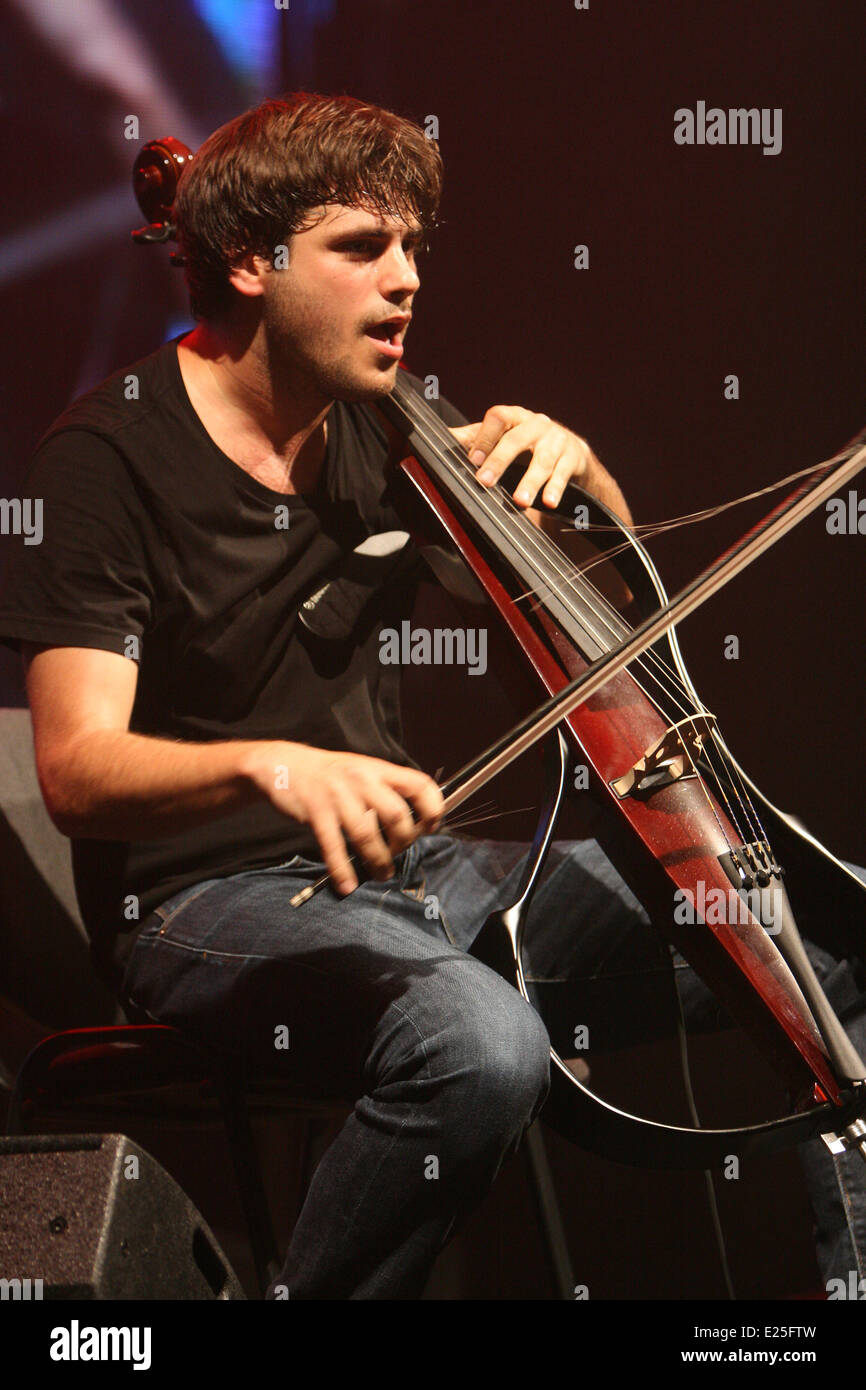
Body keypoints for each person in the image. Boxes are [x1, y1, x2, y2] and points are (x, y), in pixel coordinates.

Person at [0, 92, 863, 1300]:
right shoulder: (104, 459)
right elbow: (77, 770)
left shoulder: (379, 423)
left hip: (410, 882)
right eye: (364, 248)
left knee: (809, 945)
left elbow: (574, 594)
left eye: (411, 248)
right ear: (253, 261)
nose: (405, 280)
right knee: (476, 1045)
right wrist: (274, 765)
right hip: (206, 897)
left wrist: (581, 468)